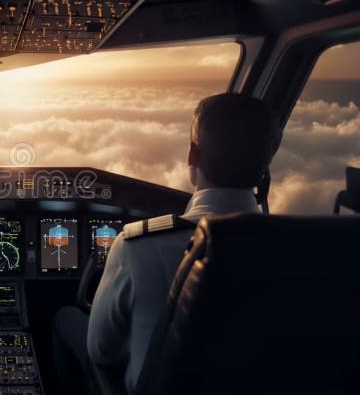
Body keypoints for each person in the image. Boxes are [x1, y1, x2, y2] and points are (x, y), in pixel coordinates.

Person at [53, 93, 281, 395]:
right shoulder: (295, 253)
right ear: (265, 166)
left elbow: (102, 351)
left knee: (66, 319)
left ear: (192, 156)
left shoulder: (137, 245)